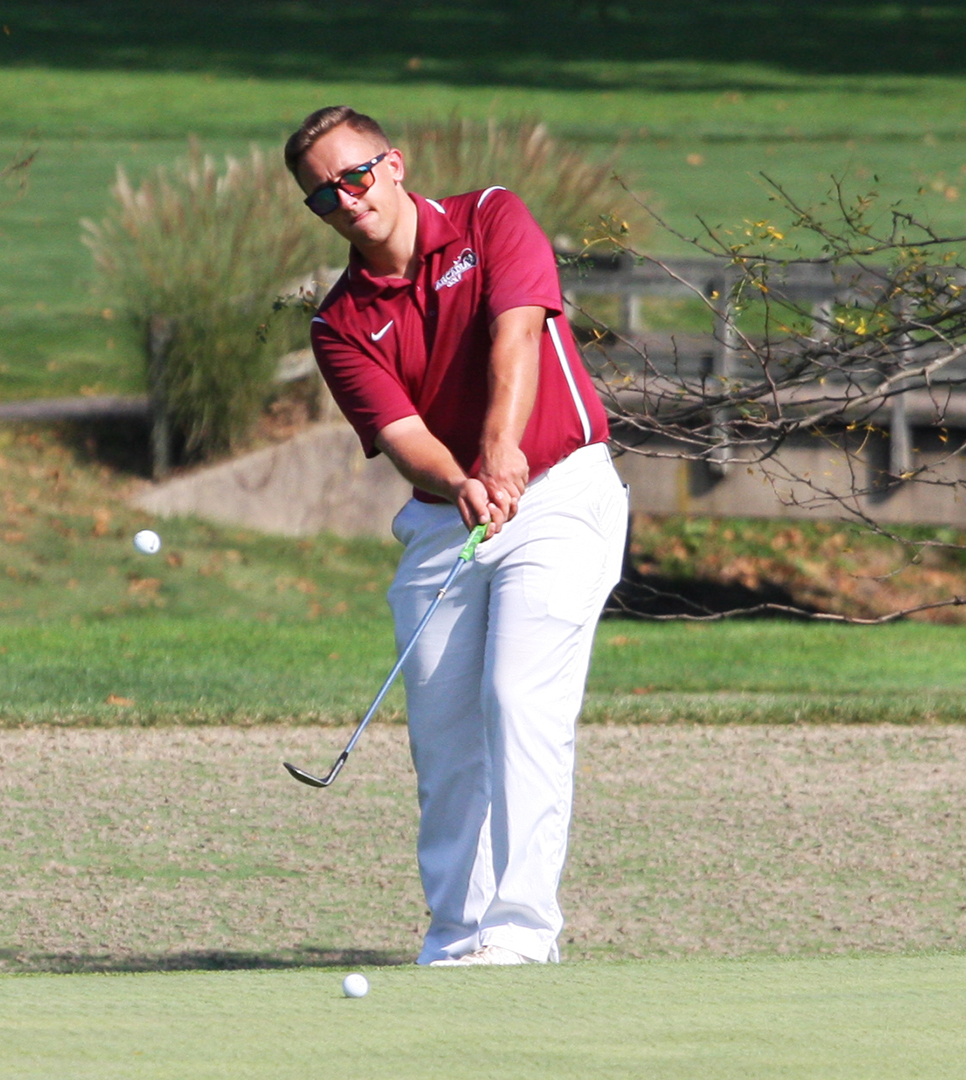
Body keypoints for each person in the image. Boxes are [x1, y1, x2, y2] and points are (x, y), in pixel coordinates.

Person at [285, 106, 629, 966]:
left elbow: (519, 336)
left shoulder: (490, 217)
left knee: (518, 700)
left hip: (558, 495)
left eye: (354, 176)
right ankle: (457, 937)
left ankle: (520, 936)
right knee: (443, 738)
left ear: (393, 165)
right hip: (449, 520)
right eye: (322, 196)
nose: (345, 200)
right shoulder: (340, 324)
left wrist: (502, 449)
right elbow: (403, 439)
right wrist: (463, 479)